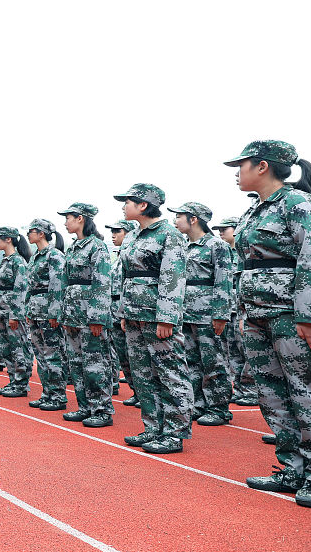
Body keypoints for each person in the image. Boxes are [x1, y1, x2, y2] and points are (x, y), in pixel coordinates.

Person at [228, 140, 311, 508]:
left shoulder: (300, 204)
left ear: (262, 166)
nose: (237, 171)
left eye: (242, 164)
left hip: (290, 315)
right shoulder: (254, 210)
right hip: (258, 313)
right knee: (272, 394)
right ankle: (292, 467)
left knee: (309, 393)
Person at [113, 183, 191, 454]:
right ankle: (152, 428)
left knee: (170, 373)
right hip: (134, 314)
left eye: (128, 202)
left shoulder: (169, 235)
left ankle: (174, 433)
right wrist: (123, 312)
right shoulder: (134, 235)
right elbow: (125, 278)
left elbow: (173, 278)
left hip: (157, 316)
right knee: (143, 374)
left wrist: (167, 318)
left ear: (143, 205)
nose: (124, 206)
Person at [170, 202, 234, 427]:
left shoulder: (217, 245)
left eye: (179, 216)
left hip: (208, 313)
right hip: (186, 313)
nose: (176, 221)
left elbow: (224, 280)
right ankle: (198, 404)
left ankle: (218, 408)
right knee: (191, 360)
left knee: (214, 361)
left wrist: (221, 313)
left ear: (194, 219)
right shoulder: (183, 246)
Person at [56, 204, 114, 426]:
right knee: (77, 362)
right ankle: (85, 406)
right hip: (72, 313)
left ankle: (101, 410)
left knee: (95, 363)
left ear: (80, 219)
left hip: (90, 313)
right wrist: (63, 313)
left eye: (68, 218)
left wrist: (98, 316)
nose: (65, 222)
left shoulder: (96, 247)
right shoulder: (73, 248)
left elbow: (102, 282)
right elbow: (65, 283)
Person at [211, 216, 257, 406]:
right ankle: (239, 388)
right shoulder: (224, 252)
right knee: (231, 352)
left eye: (225, 229)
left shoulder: (244, 253)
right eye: (219, 229)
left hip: (241, 309)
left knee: (247, 349)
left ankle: (251, 389)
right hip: (227, 310)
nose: (221, 232)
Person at [24, 219, 67, 410]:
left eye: (31, 231)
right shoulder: (35, 257)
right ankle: (47, 393)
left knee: (53, 354)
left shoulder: (54, 256)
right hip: (35, 311)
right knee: (40, 355)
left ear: (41, 233)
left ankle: (58, 396)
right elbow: (29, 287)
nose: (28, 234)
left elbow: (57, 285)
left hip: (48, 311)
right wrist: (27, 309)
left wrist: (55, 312)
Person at [0, 227, 31, 398]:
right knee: (5, 347)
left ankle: (21, 384)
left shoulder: (18, 262)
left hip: (12, 312)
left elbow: (21, 289)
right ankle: (13, 381)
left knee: (18, 347)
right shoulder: (4, 261)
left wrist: (16, 314)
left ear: (9, 239)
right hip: (1, 311)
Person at [105, 219, 139, 406]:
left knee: (136, 356)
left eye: (118, 231)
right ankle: (136, 391)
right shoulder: (118, 258)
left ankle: (144, 393)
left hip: (127, 308)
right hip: (115, 309)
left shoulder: (133, 257)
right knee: (123, 356)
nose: (113, 234)